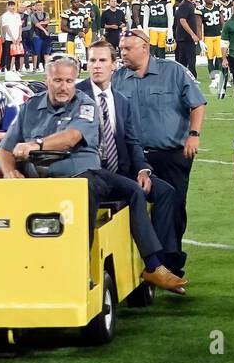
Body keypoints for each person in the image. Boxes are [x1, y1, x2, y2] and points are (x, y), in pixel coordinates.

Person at [0, 54, 187, 294]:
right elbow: (5, 148)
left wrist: (36, 144)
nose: (64, 86)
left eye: (69, 80)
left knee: (123, 191)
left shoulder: (85, 104)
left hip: (83, 175)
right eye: (57, 80)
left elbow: (72, 137)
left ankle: (142, 265)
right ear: (46, 80)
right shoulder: (29, 108)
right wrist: (9, 171)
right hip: (39, 181)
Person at [78, 41, 182, 281]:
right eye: (92, 60)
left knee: (166, 192)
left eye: (103, 60)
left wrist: (144, 169)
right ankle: (154, 264)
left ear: (114, 65)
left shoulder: (122, 100)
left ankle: (166, 261)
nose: (96, 66)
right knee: (135, 191)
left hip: (121, 172)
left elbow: (133, 142)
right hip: (93, 174)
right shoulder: (76, 96)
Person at [115, 28, 206, 277]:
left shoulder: (173, 71)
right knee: (132, 210)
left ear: (144, 47)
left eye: (127, 48)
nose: (122, 53)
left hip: (171, 152)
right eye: (121, 48)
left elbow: (197, 103)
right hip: (134, 158)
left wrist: (194, 135)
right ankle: (149, 263)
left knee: (174, 207)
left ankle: (172, 264)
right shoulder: (118, 78)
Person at [174, 0, 200, 78]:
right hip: (186, 37)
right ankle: (192, 78)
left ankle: (181, 78)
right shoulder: (185, 5)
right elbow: (182, 20)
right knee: (190, 59)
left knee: (183, 60)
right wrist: (193, 34)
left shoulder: (189, 4)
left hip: (183, 37)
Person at [0, 0, 24, 73]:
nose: (12, 7)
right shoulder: (5, 16)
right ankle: (8, 70)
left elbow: (20, 26)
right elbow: (6, 27)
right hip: (9, 38)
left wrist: (19, 36)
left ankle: (17, 70)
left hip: (17, 38)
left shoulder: (17, 15)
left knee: (18, 54)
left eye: (13, 5)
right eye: (10, 6)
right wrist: (12, 38)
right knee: (9, 55)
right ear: (8, 7)